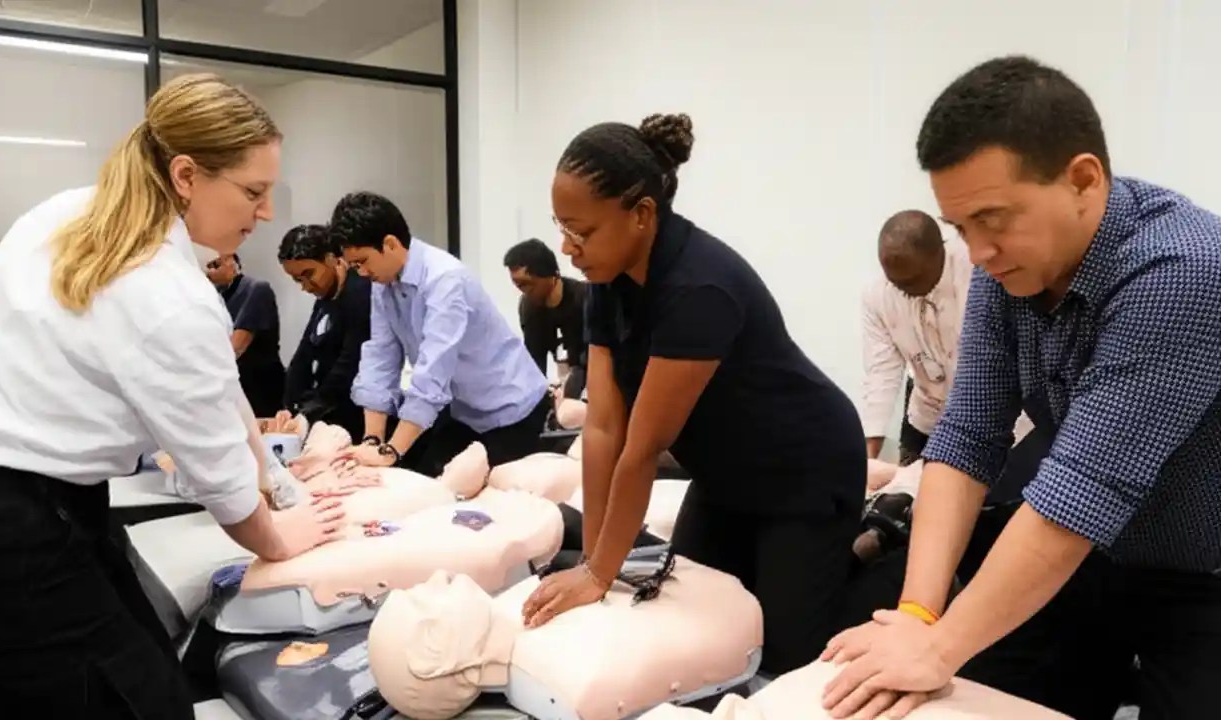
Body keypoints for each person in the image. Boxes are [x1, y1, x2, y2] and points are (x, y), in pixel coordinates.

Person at [821, 56, 1221, 720]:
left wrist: (940, 646)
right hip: (1099, 555)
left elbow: (1083, 490)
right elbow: (966, 436)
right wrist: (920, 616)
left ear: (1083, 180)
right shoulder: (1008, 268)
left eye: (994, 219)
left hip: (1201, 573)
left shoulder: (1183, 272)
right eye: (961, 229)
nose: (976, 253)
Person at [0, 74, 344, 719]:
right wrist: (280, 533)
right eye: (254, 192)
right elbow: (225, 490)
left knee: (147, 665)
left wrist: (276, 476)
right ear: (186, 176)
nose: (265, 212)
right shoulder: (165, 292)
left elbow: (224, 393)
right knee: (135, 700)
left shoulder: (71, 213)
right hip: (6, 525)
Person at [520, 113, 867, 676]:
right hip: (726, 473)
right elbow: (604, 426)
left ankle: (873, 559)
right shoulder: (607, 285)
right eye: (562, 228)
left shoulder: (700, 286)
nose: (568, 248)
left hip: (803, 468)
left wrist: (599, 574)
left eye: (581, 232)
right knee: (693, 618)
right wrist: (592, 564)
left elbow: (642, 445)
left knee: (784, 654)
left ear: (641, 215)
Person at [330, 191, 550, 478]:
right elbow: (380, 356)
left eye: (362, 262)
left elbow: (433, 369)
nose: (361, 272)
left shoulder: (445, 279)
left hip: (511, 410)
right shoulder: (383, 284)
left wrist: (391, 452)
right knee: (422, 478)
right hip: (464, 412)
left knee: (471, 495)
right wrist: (373, 441)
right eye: (354, 266)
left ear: (390, 244)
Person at [861, 211, 970, 465]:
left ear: (938, 254)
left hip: (993, 424)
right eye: (895, 282)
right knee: (902, 495)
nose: (902, 290)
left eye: (912, 281)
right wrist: (867, 462)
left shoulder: (975, 271)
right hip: (925, 418)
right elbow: (881, 373)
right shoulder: (878, 296)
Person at [276, 223, 374, 442]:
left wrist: (309, 412)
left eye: (308, 274)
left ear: (331, 258)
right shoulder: (325, 299)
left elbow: (350, 363)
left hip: (360, 414)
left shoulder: (360, 293)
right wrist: (289, 407)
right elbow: (304, 354)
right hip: (331, 411)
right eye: (297, 280)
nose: (306, 286)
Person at [503, 238, 588, 399]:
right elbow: (534, 363)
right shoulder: (529, 308)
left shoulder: (583, 298)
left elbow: (591, 361)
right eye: (518, 286)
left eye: (527, 284)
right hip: (566, 383)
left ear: (550, 275)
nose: (524, 292)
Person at [205, 251, 286, 416]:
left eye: (215, 265)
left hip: (259, 391)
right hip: (234, 389)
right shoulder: (215, 298)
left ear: (231, 260)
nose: (210, 273)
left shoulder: (255, 289)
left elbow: (235, 348)